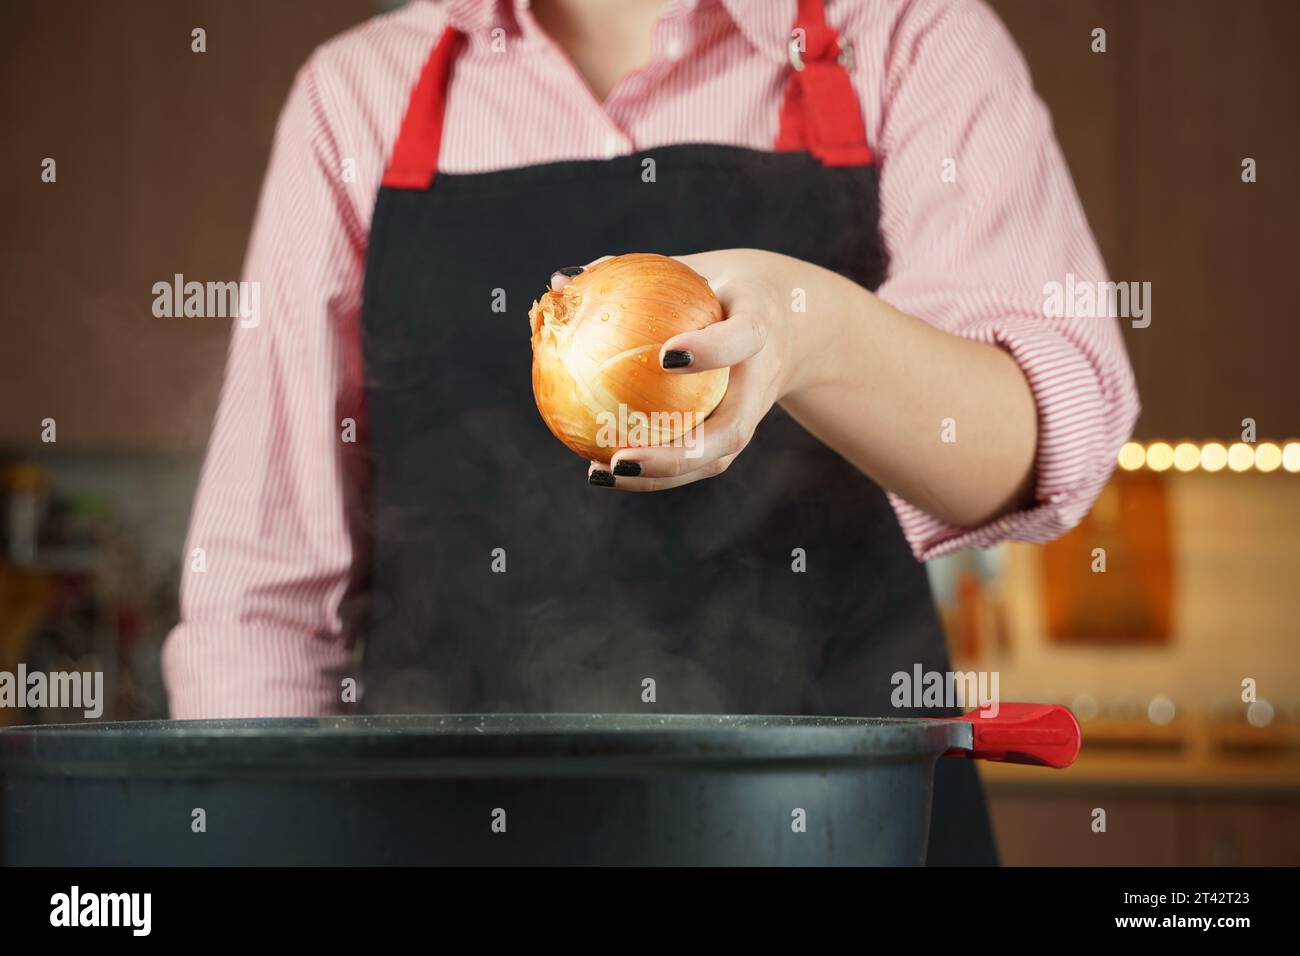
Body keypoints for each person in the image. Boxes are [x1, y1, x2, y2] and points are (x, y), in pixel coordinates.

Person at [163, 0, 1139, 865]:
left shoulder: (910, 36)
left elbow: (1037, 446)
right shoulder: (359, 94)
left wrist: (813, 332)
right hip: (444, 824)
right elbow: (261, 597)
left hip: (843, 823)